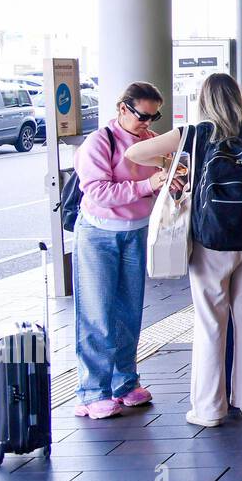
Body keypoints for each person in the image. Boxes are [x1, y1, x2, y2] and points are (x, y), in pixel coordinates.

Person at [127, 73, 242, 427]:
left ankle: (209, 410)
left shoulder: (193, 134)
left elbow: (134, 152)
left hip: (210, 237)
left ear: (204, 100)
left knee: (211, 322)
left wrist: (169, 165)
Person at [71, 82, 169, 419]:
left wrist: (170, 182)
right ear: (122, 108)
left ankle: (124, 383)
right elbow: (97, 193)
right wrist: (147, 185)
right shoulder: (99, 143)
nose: (148, 121)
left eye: (154, 115)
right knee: (97, 313)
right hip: (98, 235)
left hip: (135, 232)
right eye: (143, 115)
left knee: (129, 312)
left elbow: (156, 187)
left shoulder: (150, 142)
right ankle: (91, 392)